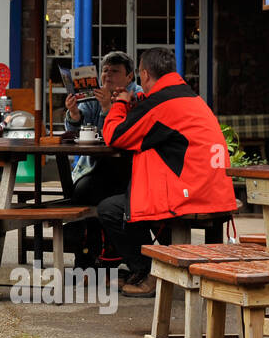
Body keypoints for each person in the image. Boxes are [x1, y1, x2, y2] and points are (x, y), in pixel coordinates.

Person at [97, 47, 236, 298]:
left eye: (140, 75)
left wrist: (119, 104)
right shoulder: (189, 97)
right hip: (214, 188)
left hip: (191, 193)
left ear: (146, 74)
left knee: (112, 209)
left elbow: (116, 136)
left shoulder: (160, 103)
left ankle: (150, 272)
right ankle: (151, 268)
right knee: (131, 199)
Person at [62, 51, 142, 266]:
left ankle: (94, 256)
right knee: (80, 191)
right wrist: (74, 114)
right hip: (96, 165)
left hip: (129, 169)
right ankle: (86, 254)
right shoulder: (94, 94)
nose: (107, 75)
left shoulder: (137, 95)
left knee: (86, 192)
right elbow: (75, 127)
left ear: (130, 76)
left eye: (115, 71)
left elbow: (121, 136)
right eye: (105, 70)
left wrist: (108, 108)